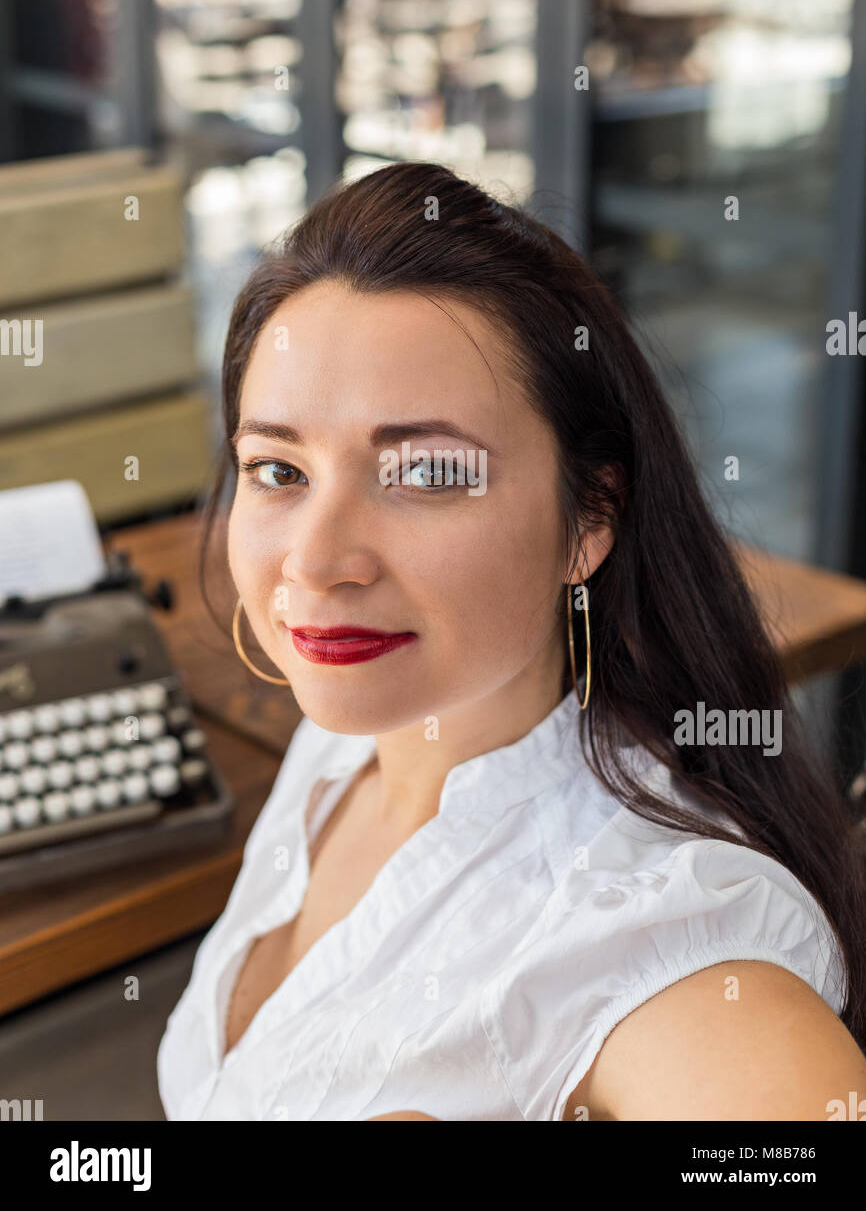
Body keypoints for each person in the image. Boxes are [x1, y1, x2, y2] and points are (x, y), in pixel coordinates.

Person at [158, 162, 866, 1121]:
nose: (316, 565)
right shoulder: (353, 731)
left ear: (589, 520)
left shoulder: (660, 932)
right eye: (278, 469)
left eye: (429, 472)